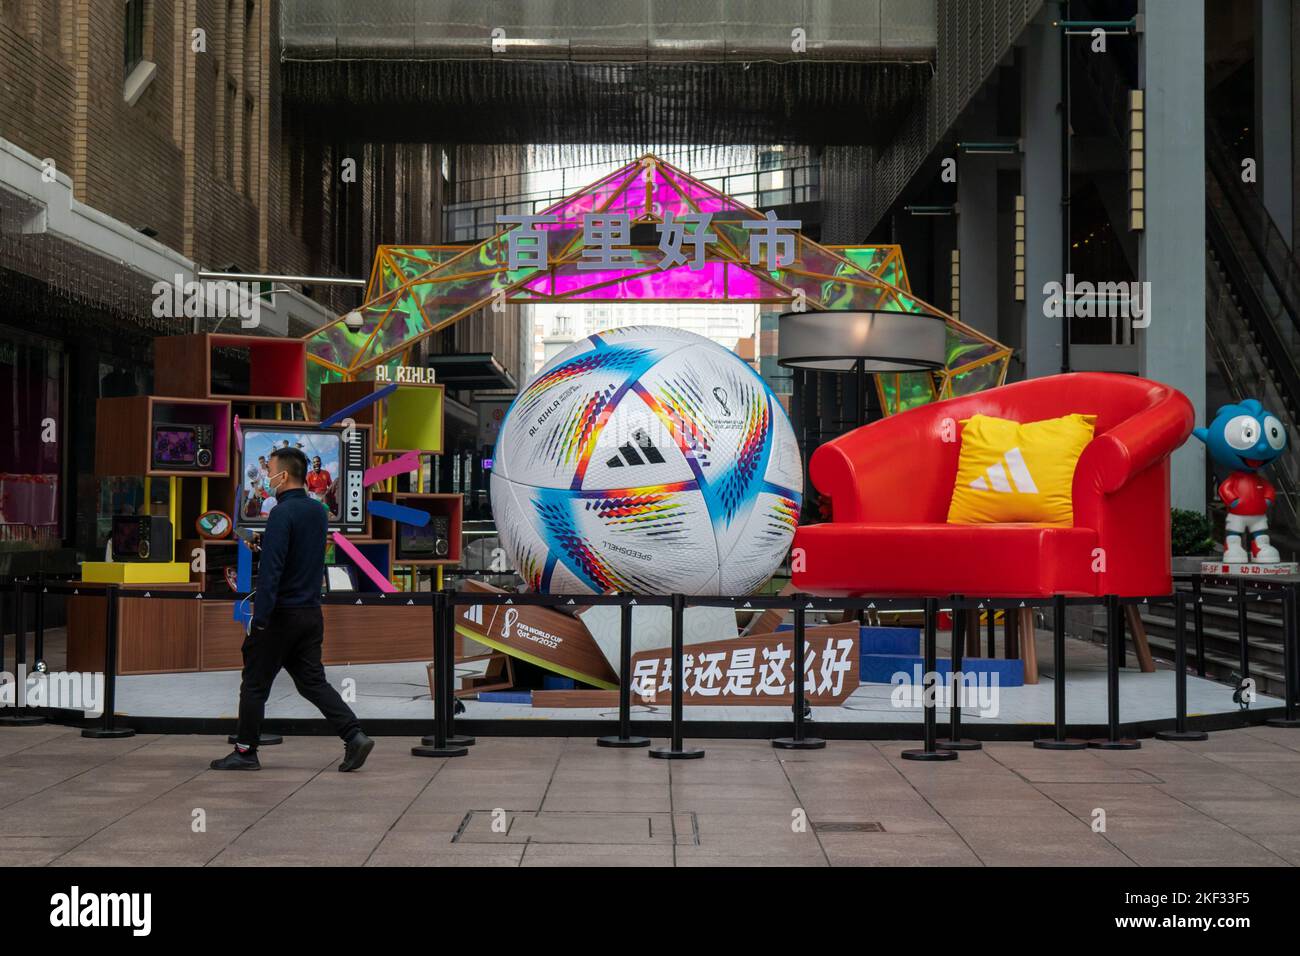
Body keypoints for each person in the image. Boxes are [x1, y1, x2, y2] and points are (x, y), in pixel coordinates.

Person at [210, 446, 374, 772]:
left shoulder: (281, 514)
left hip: (280, 614)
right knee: (312, 681)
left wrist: (261, 619)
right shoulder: (317, 512)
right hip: (310, 612)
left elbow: (272, 572)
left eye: (270, 469)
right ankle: (354, 735)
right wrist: (266, 540)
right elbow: (299, 553)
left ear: (282, 476)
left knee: (255, 683)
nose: (267, 475)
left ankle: (245, 752)